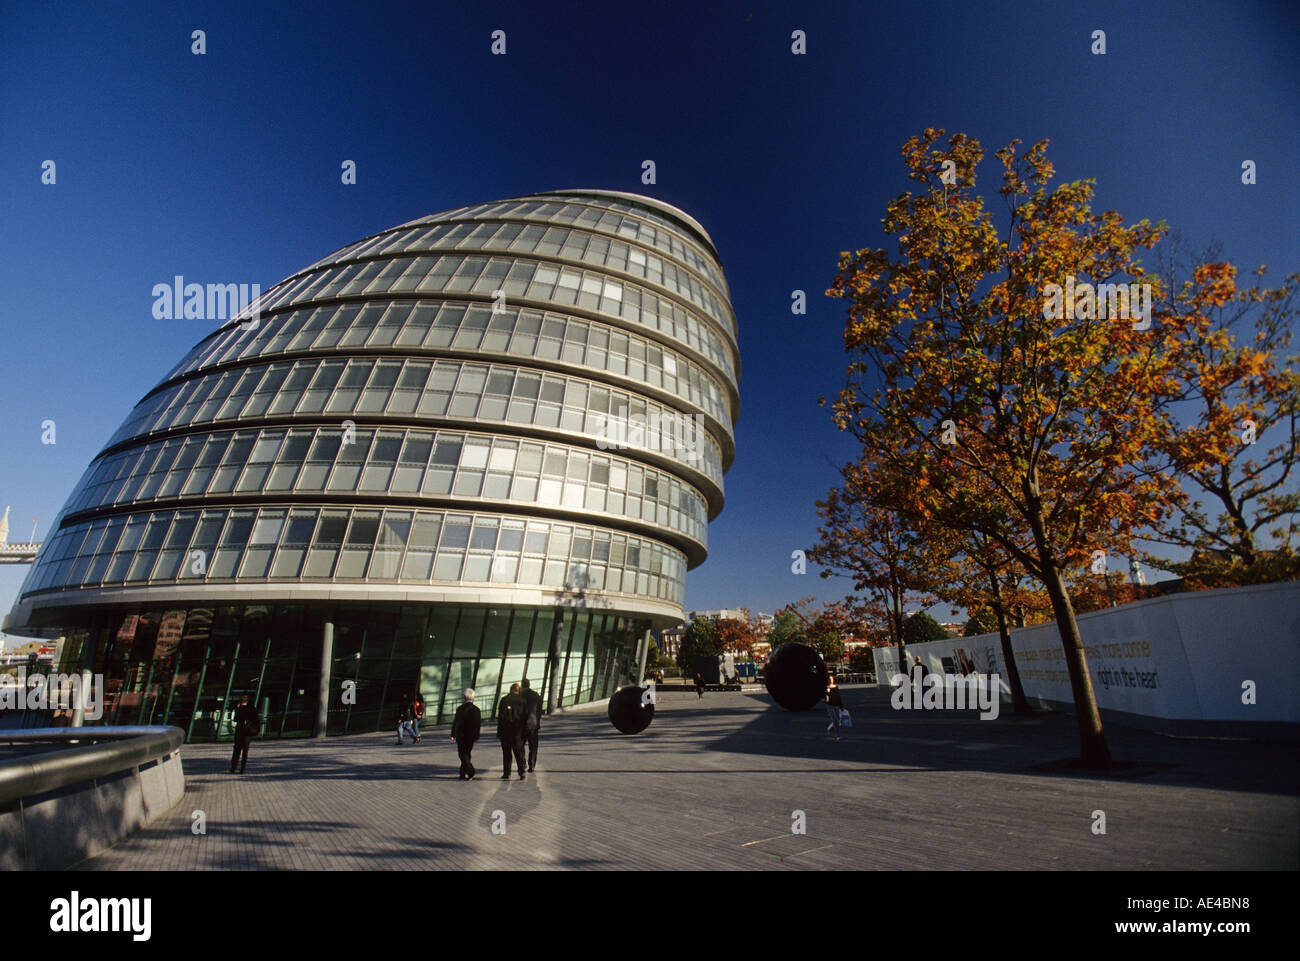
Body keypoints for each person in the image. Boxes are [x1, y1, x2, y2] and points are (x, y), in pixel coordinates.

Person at [497, 683, 529, 779]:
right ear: (518, 690)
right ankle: (521, 772)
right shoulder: (523, 701)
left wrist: (499, 731)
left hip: (506, 731)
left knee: (507, 753)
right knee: (518, 752)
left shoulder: (504, 700)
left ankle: (507, 773)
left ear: (511, 690)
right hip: (517, 731)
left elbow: (501, 717)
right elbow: (526, 716)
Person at [450, 688, 481, 780]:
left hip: (461, 735)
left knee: (462, 753)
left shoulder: (460, 709)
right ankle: (462, 772)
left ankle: (470, 771)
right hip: (471, 735)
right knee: (467, 752)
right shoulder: (476, 710)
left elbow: (457, 722)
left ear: (464, 697)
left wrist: (453, 734)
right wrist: (476, 735)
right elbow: (477, 724)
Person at [230, 694, 259, 774]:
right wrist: (257, 730)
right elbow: (256, 720)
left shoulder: (240, 708)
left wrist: (238, 708)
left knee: (237, 750)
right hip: (247, 732)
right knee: (245, 751)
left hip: (241, 730)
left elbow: (236, 719)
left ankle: (233, 767)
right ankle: (242, 769)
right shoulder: (252, 708)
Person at [521, 678, 543, 772]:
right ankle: (532, 765)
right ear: (529, 685)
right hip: (533, 723)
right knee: (533, 746)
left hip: (521, 725)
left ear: (522, 685)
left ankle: (522, 764)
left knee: (520, 746)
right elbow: (539, 710)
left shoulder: (519, 695)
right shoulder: (536, 695)